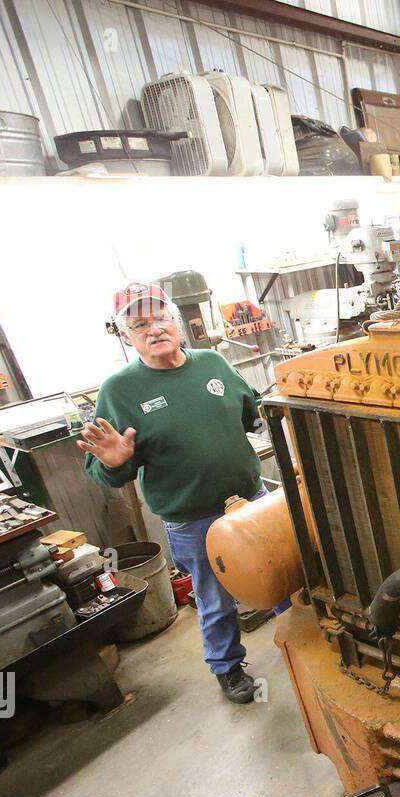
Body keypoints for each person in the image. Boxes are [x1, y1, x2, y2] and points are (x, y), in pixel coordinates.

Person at [79, 281, 272, 704]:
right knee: (214, 596)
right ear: (125, 335)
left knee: (282, 571)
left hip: (252, 500)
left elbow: (252, 411)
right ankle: (227, 668)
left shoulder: (212, 364)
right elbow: (104, 472)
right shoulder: (119, 390)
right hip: (193, 518)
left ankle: (310, 641)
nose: (154, 329)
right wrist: (113, 462)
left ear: (177, 321)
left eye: (161, 317)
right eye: (140, 323)